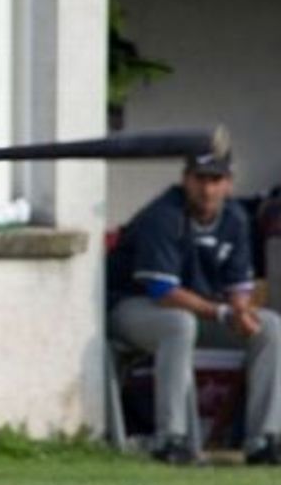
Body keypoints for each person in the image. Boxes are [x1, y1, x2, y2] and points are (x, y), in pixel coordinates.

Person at [107, 150, 281, 466]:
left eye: (216, 180)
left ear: (229, 184)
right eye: (200, 179)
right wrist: (224, 313)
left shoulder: (235, 218)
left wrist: (241, 310)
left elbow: (239, 284)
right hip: (131, 308)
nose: (207, 189)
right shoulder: (163, 215)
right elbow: (162, 290)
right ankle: (172, 437)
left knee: (269, 326)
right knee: (178, 323)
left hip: (200, 311)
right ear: (185, 180)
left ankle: (264, 439)